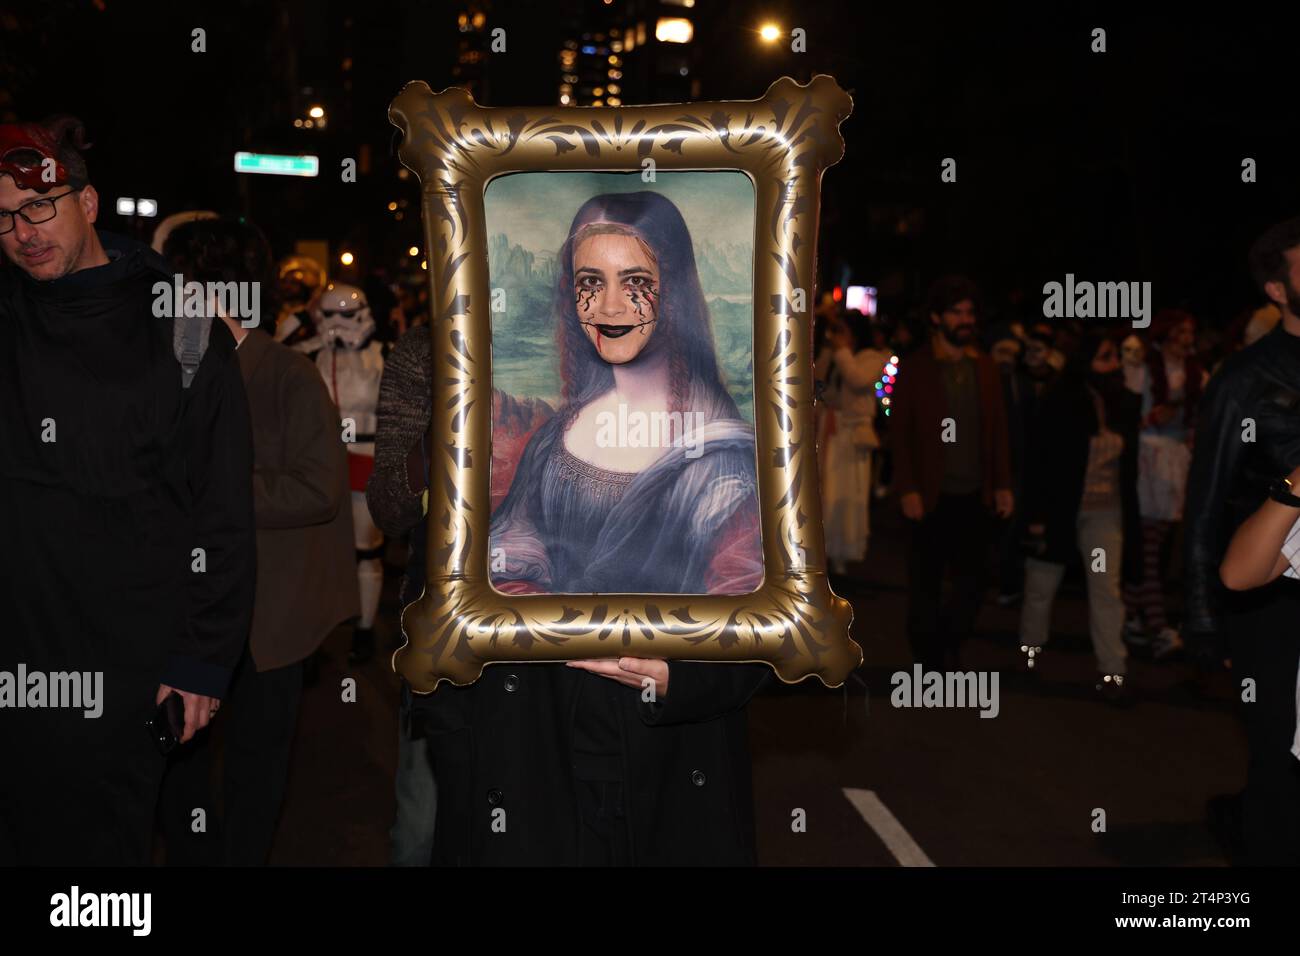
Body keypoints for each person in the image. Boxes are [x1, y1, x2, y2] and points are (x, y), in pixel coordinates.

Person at [419, 191, 770, 866]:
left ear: (675, 291)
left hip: (667, 760)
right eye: (589, 282)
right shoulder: (557, 438)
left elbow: (757, 616)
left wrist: (680, 672)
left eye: (635, 282)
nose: (609, 307)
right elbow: (509, 557)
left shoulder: (727, 453)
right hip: (543, 746)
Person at [0, 116, 255, 864]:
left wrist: (201, 662)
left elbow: (222, 510)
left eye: (38, 206)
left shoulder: (180, 323)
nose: (23, 232)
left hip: (125, 666)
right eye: (4, 217)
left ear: (88, 202)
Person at [157, 217, 359, 865]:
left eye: (177, 285)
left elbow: (319, 490)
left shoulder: (287, 376)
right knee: (178, 765)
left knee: (255, 771)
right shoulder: (176, 367)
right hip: (195, 613)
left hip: (271, 620)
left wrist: (215, 489)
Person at [1185, 214, 1300, 865]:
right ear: (1278, 290)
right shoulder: (1242, 380)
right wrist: (1205, 621)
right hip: (1267, 596)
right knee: (1278, 752)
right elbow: (1204, 504)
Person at [890, 275, 1013, 672]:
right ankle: (930, 660)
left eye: (969, 312)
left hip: (974, 495)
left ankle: (951, 640)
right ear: (936, 318)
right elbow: (899, 435)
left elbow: (998, 430)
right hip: (929, 496)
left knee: (972, 585)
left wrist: (1003, 485)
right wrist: (907, 488)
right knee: (925, 584)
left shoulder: (985, 368)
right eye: (956, 312)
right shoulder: (915, 368)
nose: (965, 320)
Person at [1018, 332, 1142, 699]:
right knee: (1042, 585)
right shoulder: (1059, 399)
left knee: (1106, 590)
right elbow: (1039, 460)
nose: (1114, 364)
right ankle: (1029, 651)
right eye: (1105, 357)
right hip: (1060, 511)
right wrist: (1036, 515)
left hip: (1104, 514)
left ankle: (1112, 671)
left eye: (1115, 356)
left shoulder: (1122, 403)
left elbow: (1129, 465)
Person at [302, 283, 387, 665]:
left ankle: (364, 629)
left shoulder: (385, 355)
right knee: (317, 550)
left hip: (366, 457)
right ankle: (314, 636)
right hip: (321, 461)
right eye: (329, 315)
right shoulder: (310, 354)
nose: (338, 324)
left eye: (346, 315)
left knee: (366, 549)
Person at [1122, 310, 1206, 658]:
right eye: (1181, 331)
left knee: (1153, 547)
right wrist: (1153, 418)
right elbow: (1126, 417)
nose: (1187, 338)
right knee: (1149, 548)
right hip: (1149, 458)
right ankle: (1157, 626)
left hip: (1175, 460)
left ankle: (1129, 615)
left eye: (1190, 332)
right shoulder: (1144, 368)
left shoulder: (1196, 373)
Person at [815, 309, 888, 576]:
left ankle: (843, 551)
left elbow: (858, 380)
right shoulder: (836, 354)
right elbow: (819, 384)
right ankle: (822, 549)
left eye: (843, 331)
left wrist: (841, 352)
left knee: (847, 494)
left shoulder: (872, 357)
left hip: (853, 436)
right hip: (831, 429)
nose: (838, 336)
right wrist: (828, 353)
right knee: (825, 491)